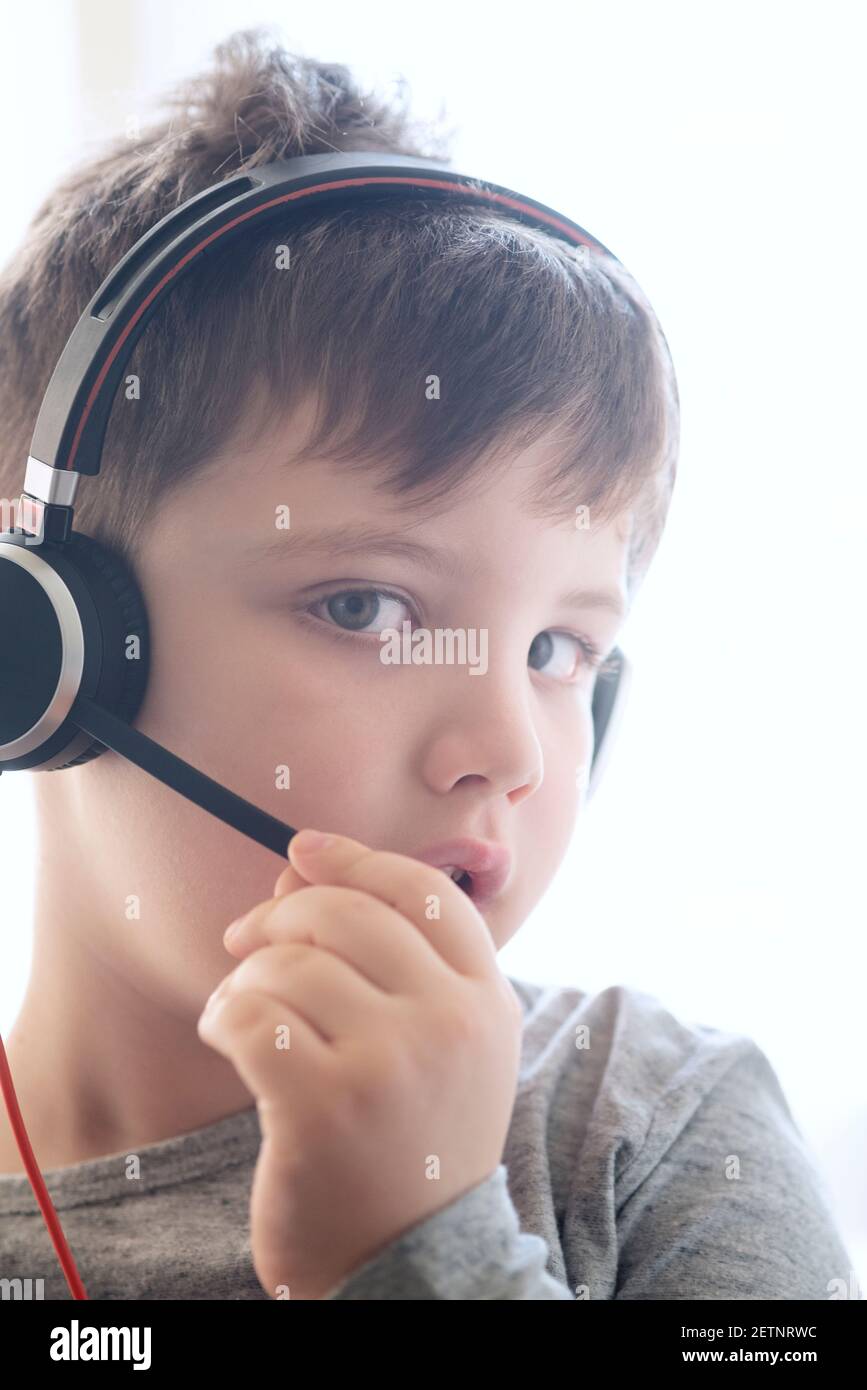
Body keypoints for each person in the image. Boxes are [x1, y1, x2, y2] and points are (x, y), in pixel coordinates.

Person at [0, 28, 853, 1299]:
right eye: (364, 605)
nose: (508, 750)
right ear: (47, 645)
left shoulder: (647, 1125)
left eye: (562, 648)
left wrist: (422, 1246)